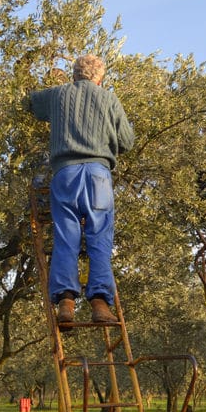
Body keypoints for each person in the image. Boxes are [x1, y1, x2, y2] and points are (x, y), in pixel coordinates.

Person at [29, 55, 135, 325]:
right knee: (99, 236)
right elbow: (127, 141)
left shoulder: (57, 95)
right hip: (98, 175)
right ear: (100, 77)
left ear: (74, 74)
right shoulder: (109, 98)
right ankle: (100, 305)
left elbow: (29, 103)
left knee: (66, 237)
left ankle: (66, 303)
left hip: (65, 173)